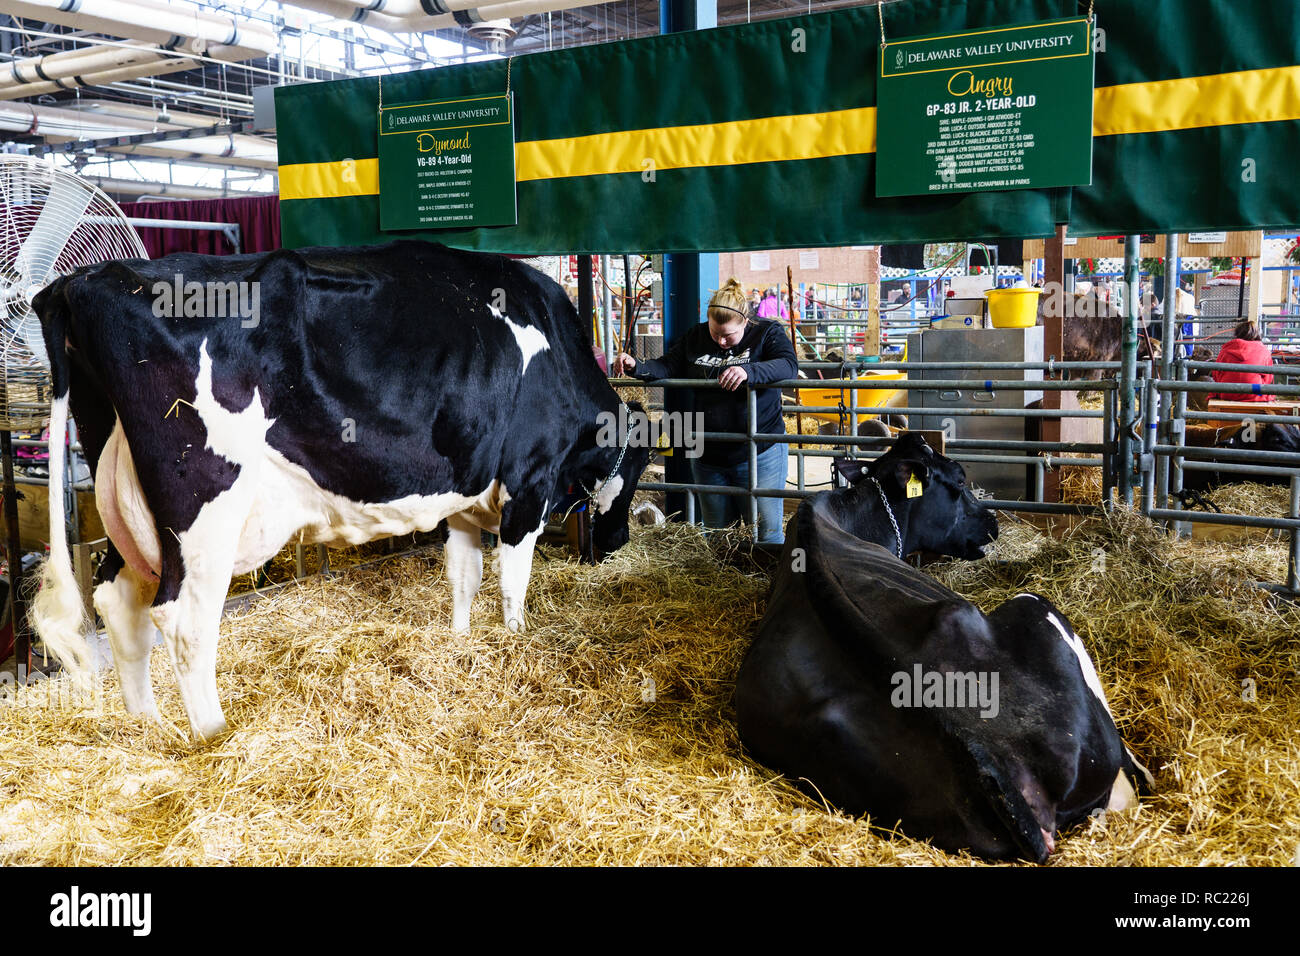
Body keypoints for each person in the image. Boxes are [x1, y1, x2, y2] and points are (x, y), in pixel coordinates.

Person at [615, 277, 798, 544]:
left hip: (759, 451)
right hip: (708, 454)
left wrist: (749, 371)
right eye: (715, 333)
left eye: (728, 335)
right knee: (716, 534)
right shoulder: (696, 337)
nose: (721, 341)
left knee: (765, 533)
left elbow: (788, 365)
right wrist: (637, 366)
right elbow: (667, 366)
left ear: (745, 322)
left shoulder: (766, 332)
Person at [1209, 319, 1273, 402]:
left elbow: (1216, 373)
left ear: (1237, 333)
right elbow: (1268, 377)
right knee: (1269, 392)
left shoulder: (1226, 349)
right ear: (1257, 334)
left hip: (1227, 391)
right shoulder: (1263, 350)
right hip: (1254, 392)